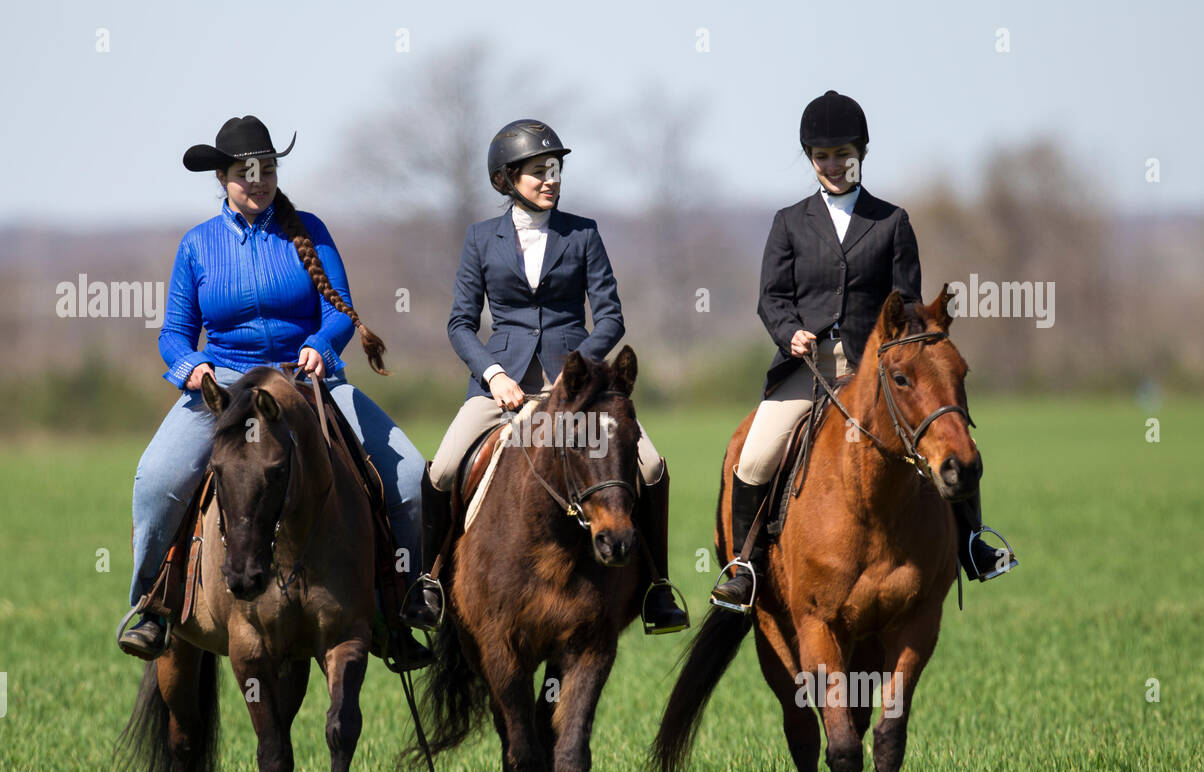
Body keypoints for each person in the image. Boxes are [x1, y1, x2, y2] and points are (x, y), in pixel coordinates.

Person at [119, 115, 432, 668]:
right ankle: (153, 604)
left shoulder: (309, 229)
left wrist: (321, 345)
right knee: (155, 479)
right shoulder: (197, 246)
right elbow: (173, 333)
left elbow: (340, 309)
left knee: (407, 474)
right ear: (222, 178)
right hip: (226, 390)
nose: (258, 180)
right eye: (245, 172)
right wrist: (190, 366)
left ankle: (401, 601)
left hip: (307, 383)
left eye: (267, 169)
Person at [710, 91, 1018, 611]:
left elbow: (912, 305)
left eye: (842, 154)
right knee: (756, 454)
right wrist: (790, 332)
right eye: (822, 156)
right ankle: (744, 566)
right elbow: (772, 298)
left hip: (876, 371)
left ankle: (971, 542)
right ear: (810, 159)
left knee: (949, 434)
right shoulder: (789, 222)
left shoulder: (891, 222)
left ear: (862, 154)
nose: (832, 165)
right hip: (806, 369)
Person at [399, 119, 689, 636]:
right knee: (441, 471)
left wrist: (573, 373)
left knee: (649, 468)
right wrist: (491, 374)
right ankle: (431, 582)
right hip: (502, 385)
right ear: (508, 178)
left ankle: (657, 589)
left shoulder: (583, 233)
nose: (551, 179)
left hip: (577, 389)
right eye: (539, 172)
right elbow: (460, 322)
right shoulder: (480, 239)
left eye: (555, 170)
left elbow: (612, 319)